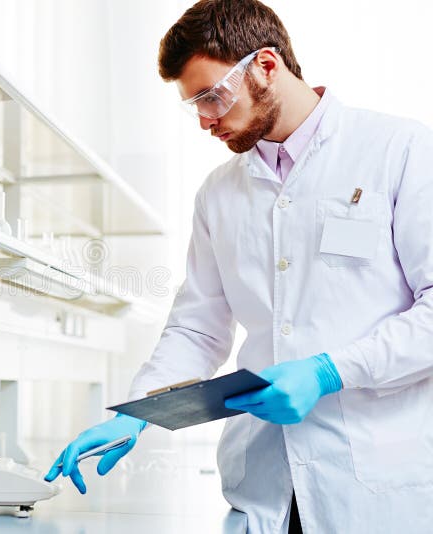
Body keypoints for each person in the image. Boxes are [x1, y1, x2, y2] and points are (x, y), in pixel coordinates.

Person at [44, 1, 433, 532]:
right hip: (264, 491)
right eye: (193, 105)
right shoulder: (218, 193)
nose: (204, 120)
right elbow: (198, 326)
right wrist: (138, 411)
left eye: (210, 96)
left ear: (266, 67)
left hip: (378, 487)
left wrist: (330, 371)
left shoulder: (399, 150)